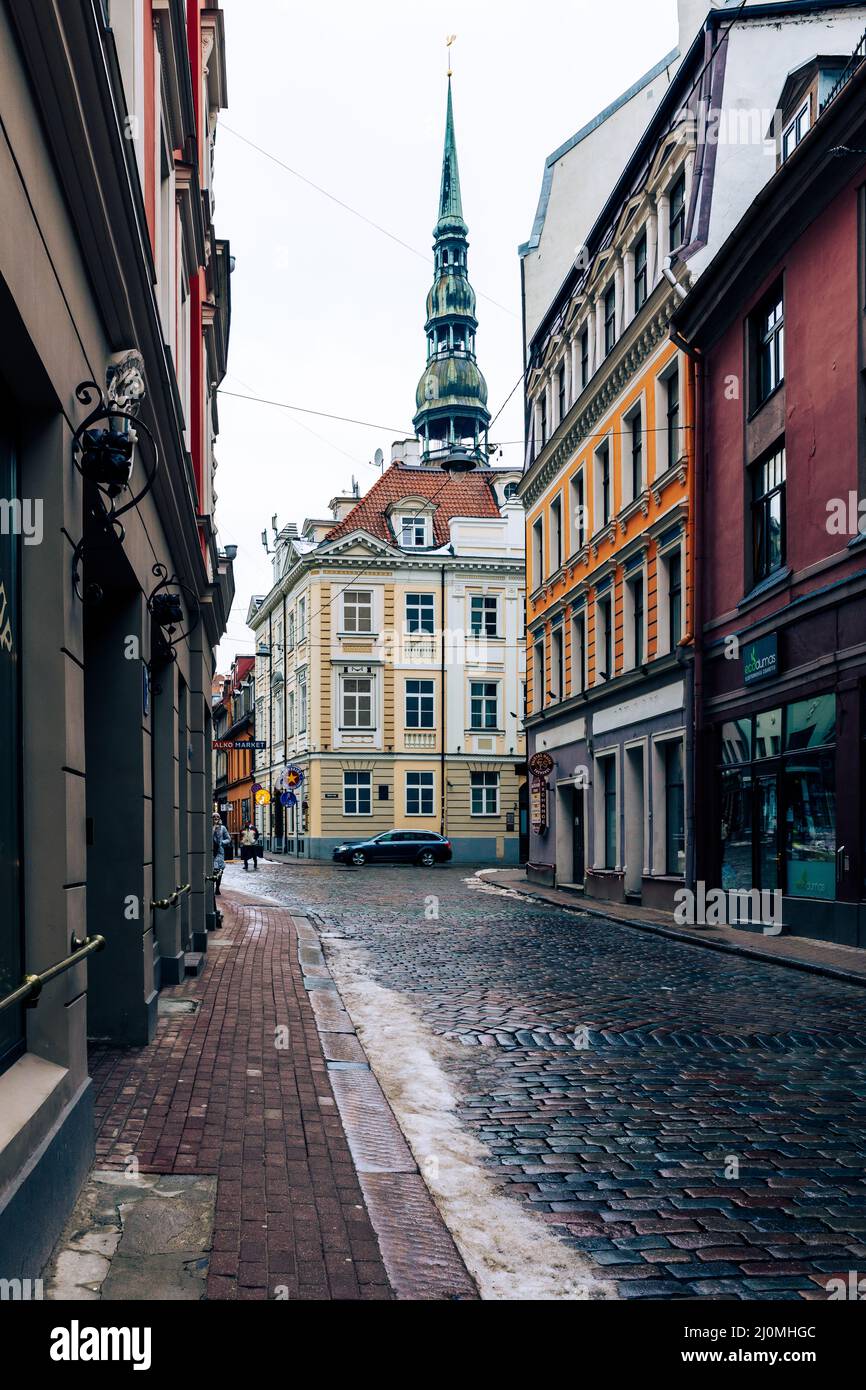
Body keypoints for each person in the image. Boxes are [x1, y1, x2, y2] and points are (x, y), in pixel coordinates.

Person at [212, 814, 232, 896]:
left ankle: (217, 888)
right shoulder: (209, 827)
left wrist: (222, 843)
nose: (216, 818)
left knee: (219, 870)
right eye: (214, 817)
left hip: (219, 851)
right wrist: (214, 829)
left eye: (218, 817)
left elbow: (228, 839)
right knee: (213, 870)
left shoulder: (223, 828)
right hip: (211, 851)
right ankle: (211, 887)